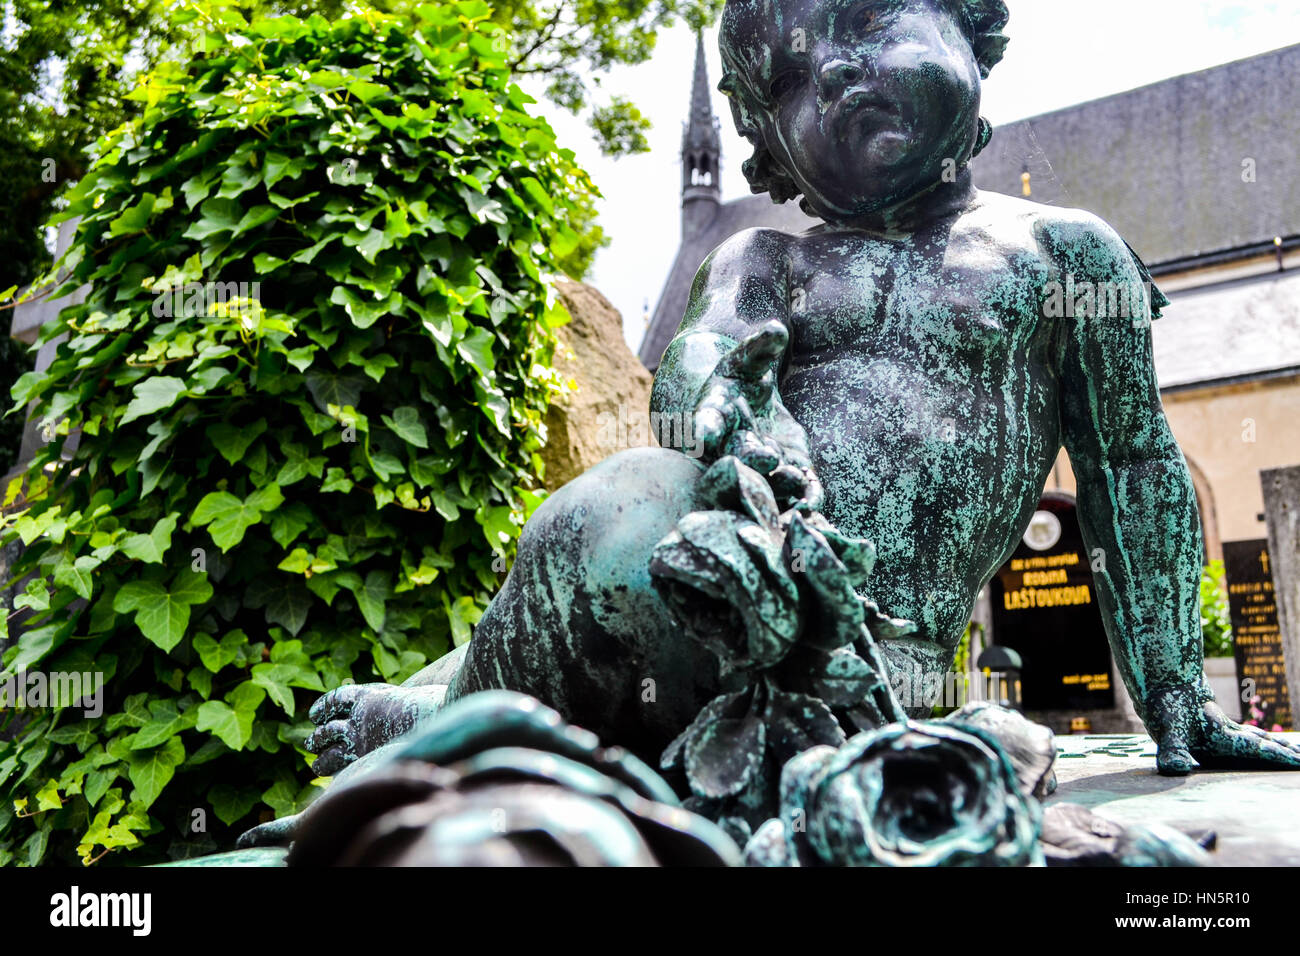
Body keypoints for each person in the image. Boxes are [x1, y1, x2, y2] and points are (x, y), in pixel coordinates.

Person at [305, 0, 1300, 780]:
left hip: (864, 653)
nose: (831, 67)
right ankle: (454, 695)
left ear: (966, 19)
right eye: (786, 78)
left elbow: (1132, 467)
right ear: (768, 151)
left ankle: (452, 709)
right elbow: (698, 357)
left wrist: (1177, 699)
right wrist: (721, 398)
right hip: (733, 565)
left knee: (591, 542)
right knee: (607, 533)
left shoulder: (1065, 254)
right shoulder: (766, 256)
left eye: (867, 18)